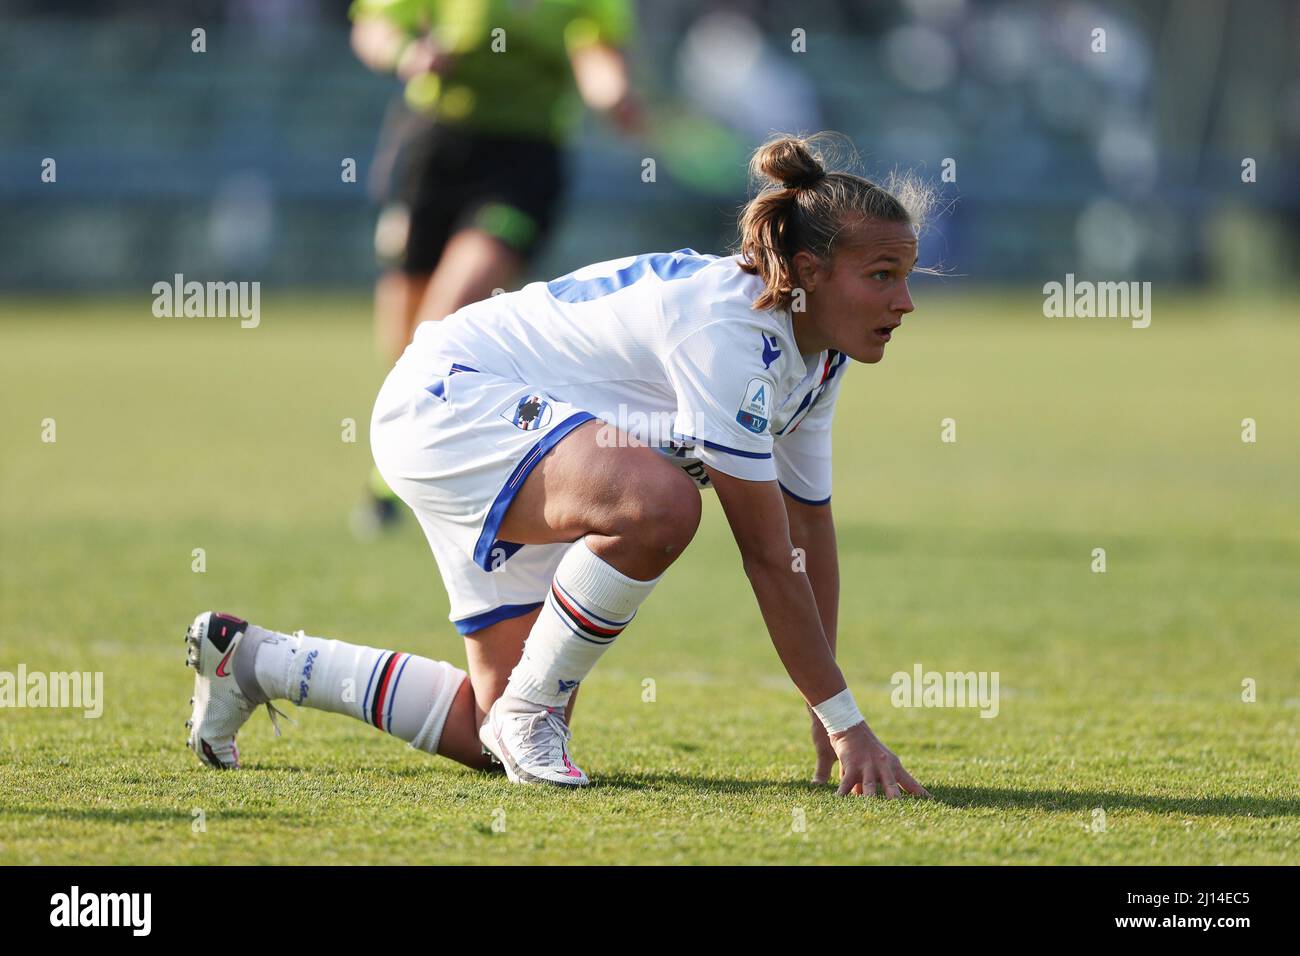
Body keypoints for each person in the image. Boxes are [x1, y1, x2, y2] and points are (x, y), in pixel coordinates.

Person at [184, 133, 932, 799]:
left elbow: (807, 532)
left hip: (531, 443)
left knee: (483, 730)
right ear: (808, 270)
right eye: (881, 276)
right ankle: (531, 710)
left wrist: (820, 702)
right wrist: (844, 722)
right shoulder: (735, 330)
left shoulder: (818, 358)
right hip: (453, 401)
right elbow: (767, 555)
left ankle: (253, 663)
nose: (903, 301)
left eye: (907, 276)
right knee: (661, 506)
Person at [348, 0, 641, 532]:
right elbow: (374, 26)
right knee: (402, 340)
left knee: (450, 307)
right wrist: (407, 52)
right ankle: (396, 462)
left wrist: (613, 93)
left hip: (524, 163)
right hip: (435, 149)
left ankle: (413, 480)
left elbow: (595, 51)